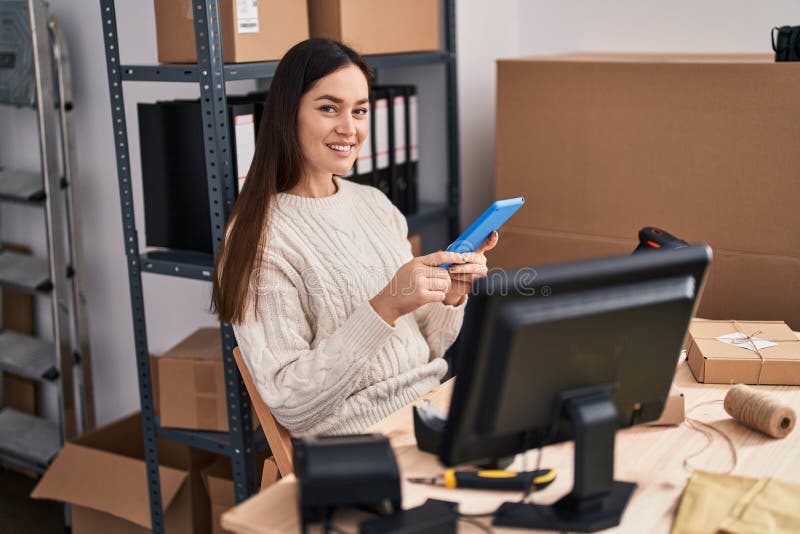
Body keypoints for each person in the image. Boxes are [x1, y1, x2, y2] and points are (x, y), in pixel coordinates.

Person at [212, 38, 498, 436]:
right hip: (358, 441)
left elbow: (426, 349)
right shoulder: (259, 237)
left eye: (359, 110)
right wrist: (384, 307)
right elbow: (291, 405)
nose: (349, 128)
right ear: (286, 115)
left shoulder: (374, 204)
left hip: (429, 410)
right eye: (329, 108)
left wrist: (452, 290)